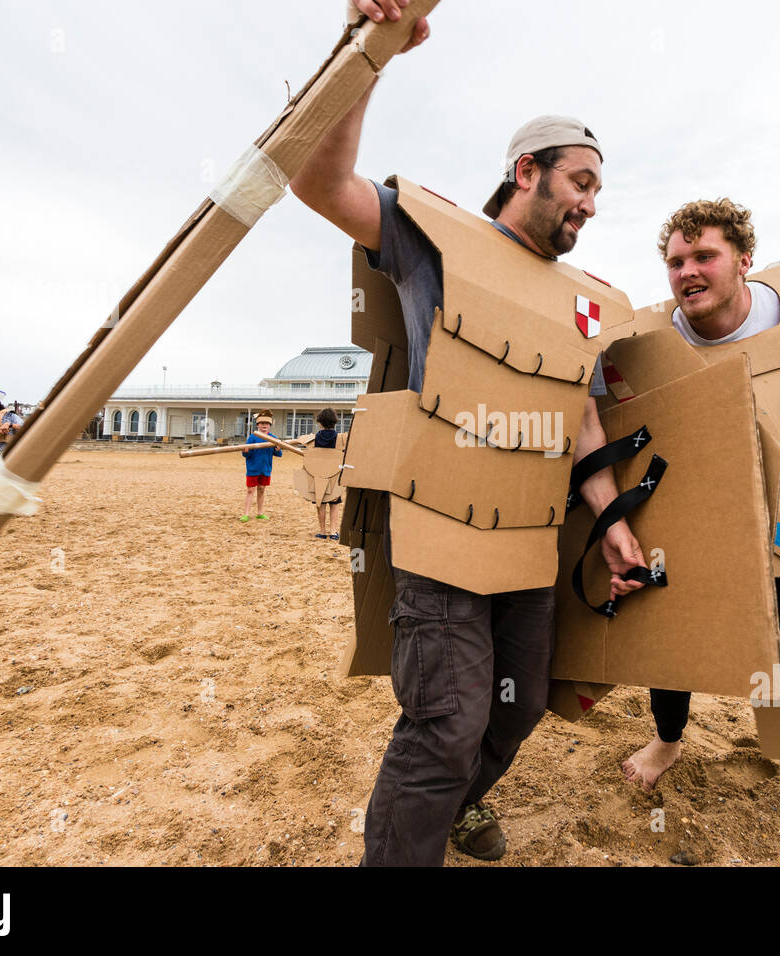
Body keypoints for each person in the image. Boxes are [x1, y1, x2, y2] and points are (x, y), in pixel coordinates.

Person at [288, 0, 636, 866]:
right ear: (528, 169)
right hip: (437, 530)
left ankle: (457, 807)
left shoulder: (579, 299)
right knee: (446, 721)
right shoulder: (435, 240)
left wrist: (613, 519)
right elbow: (317, 183)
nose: (592, 204)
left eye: (599, 190)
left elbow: (582, 417)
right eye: (581, 181)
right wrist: (364, 56)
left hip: (525, 541)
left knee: (516, 709)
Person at [583, 199, 780, 842]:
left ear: (745, 260)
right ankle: (668, 740)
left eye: (704, 256)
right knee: (669, 637)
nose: (687, 272)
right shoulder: (650, 345)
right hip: (694, 511)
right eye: (675, 261)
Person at [297, 408, 344, 541]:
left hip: (318, 475)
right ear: (335, 422)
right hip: (335, 475)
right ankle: (334, 531)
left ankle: (322, 531)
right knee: (334, 505)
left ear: (320, 423)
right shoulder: (339, 438)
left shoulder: (315, 438)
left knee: (321, 503)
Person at [240, 411, 281, 522]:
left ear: (270, 426)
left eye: (266, 424)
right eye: (261, 423)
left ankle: (260, 513)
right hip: (253, 468)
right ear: (257, 425)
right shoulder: (252, 437)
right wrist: (246, 451)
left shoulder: (273, 438)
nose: (264, 425)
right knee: (250, 490)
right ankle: (246, 514)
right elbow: (245, 454)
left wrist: (278, 449)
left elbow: (278, 454)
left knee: (262, 489)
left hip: (265, 469)